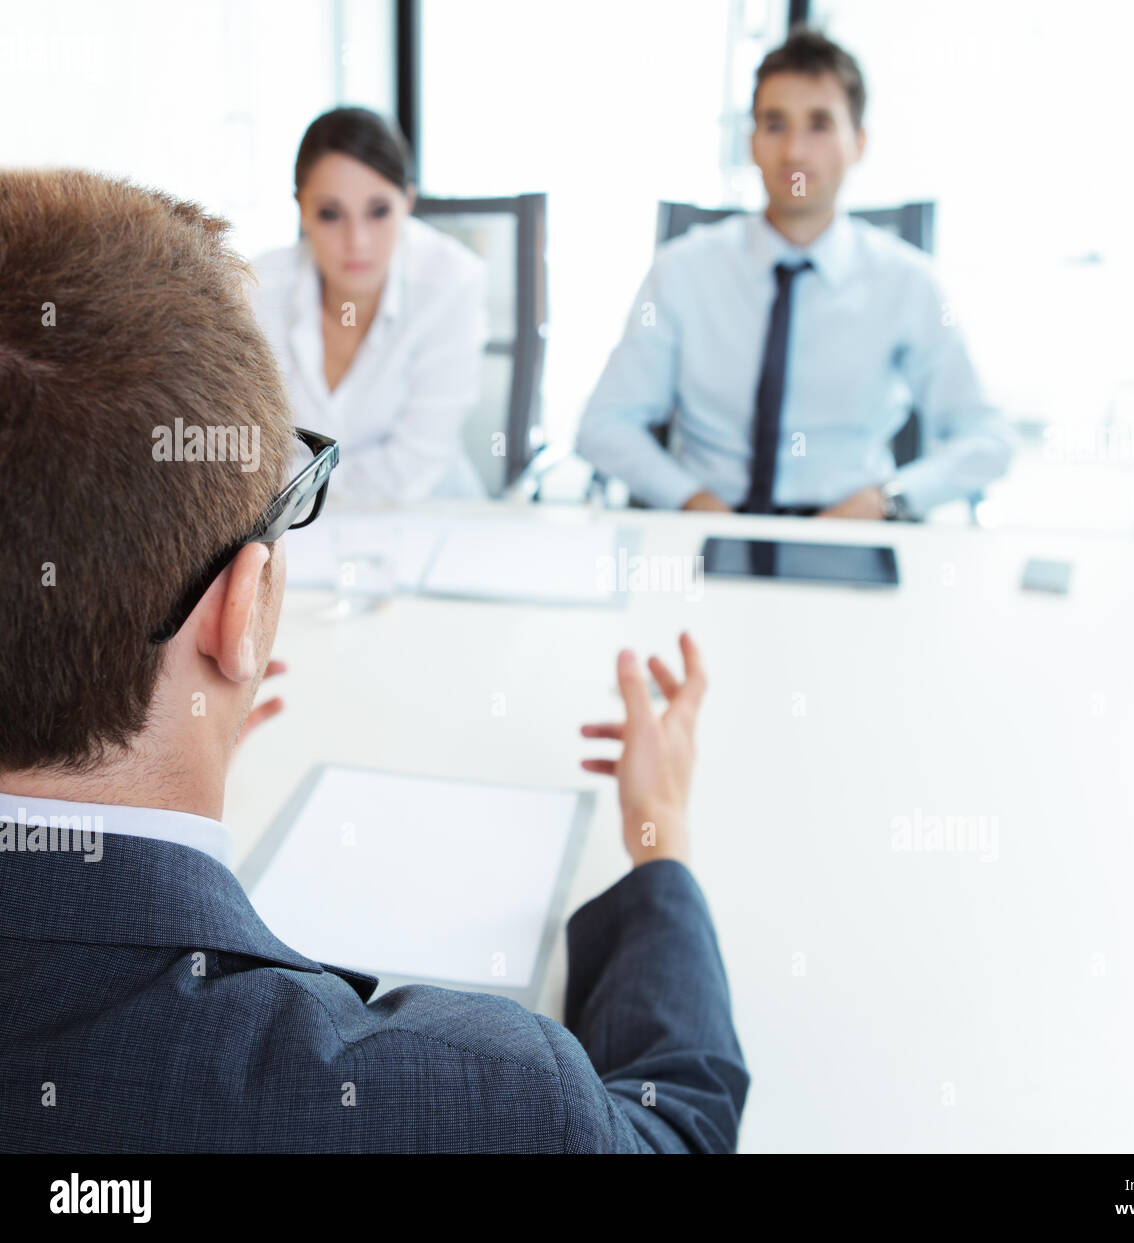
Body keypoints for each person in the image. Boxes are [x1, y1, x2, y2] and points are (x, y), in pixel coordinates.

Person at [0, 168, 747, 1154]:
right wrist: (661, 842)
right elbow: (679, 1128)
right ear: (243, 610)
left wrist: (157, 767)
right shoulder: (477, 1103)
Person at [577, 28, 1015, 519]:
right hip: (709, 524)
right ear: (752, 141)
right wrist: (691, 500)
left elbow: (989, 439)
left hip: (851, 531)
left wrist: (886, 500)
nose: (795, 154)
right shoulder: (681, 272)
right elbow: (605, 425)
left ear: (860, 142)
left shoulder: (908, 282)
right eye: (775, 124)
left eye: (820, 125)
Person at [251, 106, 488, 503]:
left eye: (378, 212)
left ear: (407, 201)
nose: (357, 240)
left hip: (427, 518)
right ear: (301, 208)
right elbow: (244, 450)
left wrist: (288, 489)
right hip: (296, 533)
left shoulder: (451, 282)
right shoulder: (258, 287)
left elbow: (413, 465)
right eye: (330, 214)